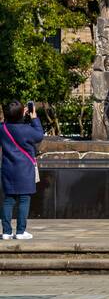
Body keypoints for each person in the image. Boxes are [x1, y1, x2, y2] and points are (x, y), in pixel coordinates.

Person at [0, 101, 44, 240]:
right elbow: (39, 135)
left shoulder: (2, 129)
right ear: (22, 114)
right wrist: (34, 117)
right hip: (24, 170)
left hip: (7, 169)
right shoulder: (26, 129)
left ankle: (6, 232)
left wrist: (15, 116)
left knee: (8, 200)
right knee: (24, 199)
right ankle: (20, 232)